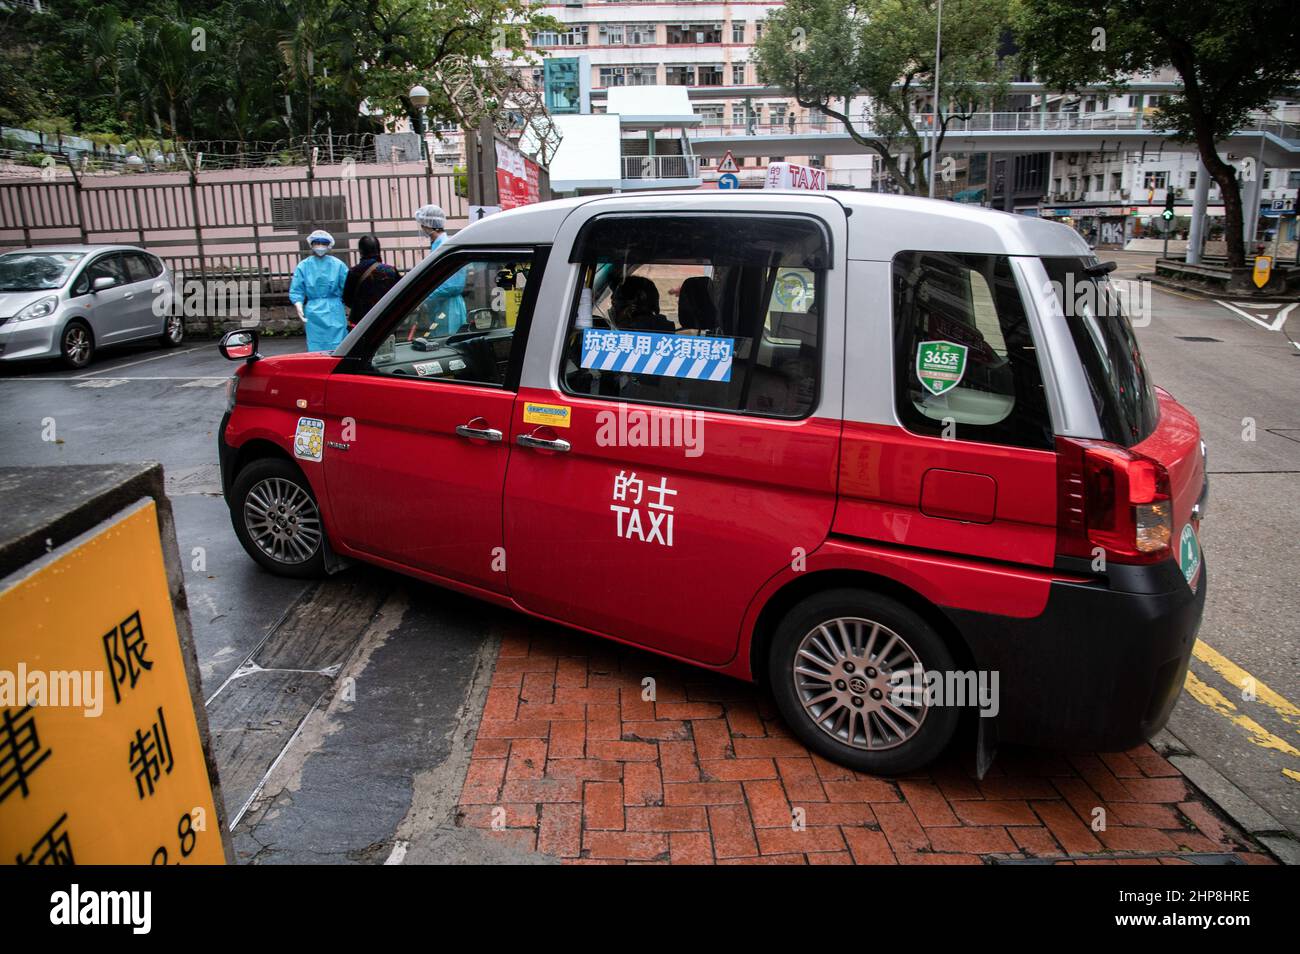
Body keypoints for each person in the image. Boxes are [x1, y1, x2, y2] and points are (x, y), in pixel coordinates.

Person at [289, 230, 349, 352]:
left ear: (329, 245)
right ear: (311, 244)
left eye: (323, 243)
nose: (320, 246)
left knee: (338, 346)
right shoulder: (304, 266)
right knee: (318, 346)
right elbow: (296, 290)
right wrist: (298, 304)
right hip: (322, 311)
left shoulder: (338, 265)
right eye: (317, 243)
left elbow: (347, 287)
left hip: (332, 309)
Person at [413, 204, 466, 336]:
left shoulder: (444, 246)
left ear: (428, 225)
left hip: (449, 307)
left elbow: (451, 285)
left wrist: (425, 297)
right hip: (441, 306)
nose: (422, 228)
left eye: (422, 224)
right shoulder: (438, 246)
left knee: (447, 343)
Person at [343, 235, 400, 329]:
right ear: (378, 250)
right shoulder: (391, 271)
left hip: (361, 324)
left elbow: (347, 299)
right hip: (386, 321)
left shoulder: (354, 272)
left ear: (361, 252)